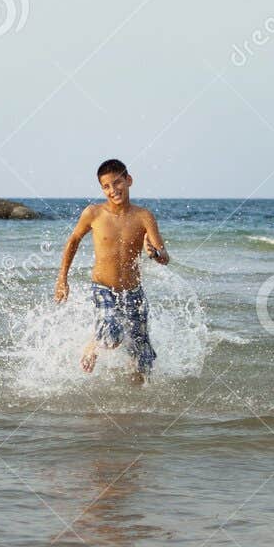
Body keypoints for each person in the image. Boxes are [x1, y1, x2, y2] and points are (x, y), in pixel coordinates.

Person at [53, 158, 169, 384]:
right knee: (112, 335)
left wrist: (154, 253)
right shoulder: (93, 213)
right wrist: (62, 279)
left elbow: (165, 257)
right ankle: (93, 342)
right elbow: (73, 240)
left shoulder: (144, 216)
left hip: (133, 292)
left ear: (129, 180)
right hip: (103, 288)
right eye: (106, 186)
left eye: (117, 183)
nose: (113, 190)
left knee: (143, 360)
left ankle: (135, 404)